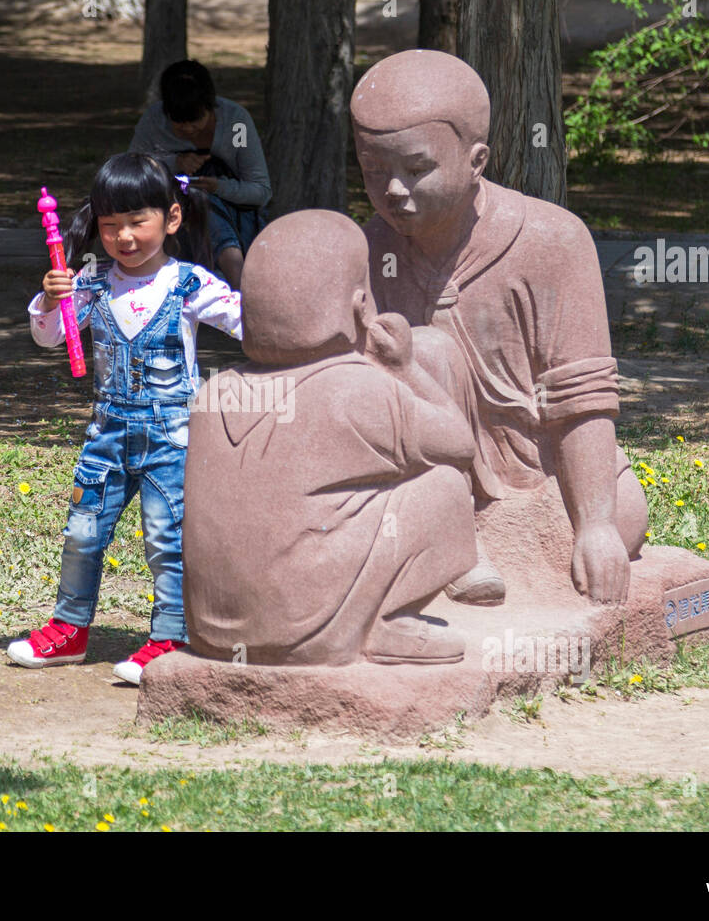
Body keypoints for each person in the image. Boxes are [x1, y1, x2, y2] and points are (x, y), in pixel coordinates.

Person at [350, 49, 649, 608]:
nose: (392, 189)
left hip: (539, 466)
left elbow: (581, 394)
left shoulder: (553, 241)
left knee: (622, 516)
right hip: (429, 474)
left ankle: (459, 546)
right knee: (421, 350)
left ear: (476, 160)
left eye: (416, 169)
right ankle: (453, 533)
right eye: (373, 171)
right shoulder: (369, 252)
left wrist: (596, 525)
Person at [183, 210, 489, 667]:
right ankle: (380, 625)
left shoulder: (214, 391)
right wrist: (405, 369)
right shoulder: (356, 388)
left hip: (212, 632)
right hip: (307, 632)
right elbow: (459, 443)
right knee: (445, 486)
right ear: (359, 304)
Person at [8, 152, 243, 685]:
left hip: (173, 441)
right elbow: (48, 336)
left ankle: (169, 637)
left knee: (167, 540)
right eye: (111, 226)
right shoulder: (87, 283)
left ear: (172, 218)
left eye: (138, 222)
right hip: (106, 437)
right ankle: (69, 630)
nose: (124, 237)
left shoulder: (190, 284)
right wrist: (49, 300)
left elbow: (244, 319)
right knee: (82, 534)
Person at [130, 59, 270, 286]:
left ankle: (235, 275)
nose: (187, 129)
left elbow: (260, 190)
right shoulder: (154, 121)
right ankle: (239, 281)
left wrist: (219, 187)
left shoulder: (236, 125)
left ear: (210, 107)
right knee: (194, 199)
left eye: (196, 121)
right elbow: (133, 172)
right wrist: (175, 163)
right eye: (178, 124)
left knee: (204, 202)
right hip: (172, 205)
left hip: (233, 211)